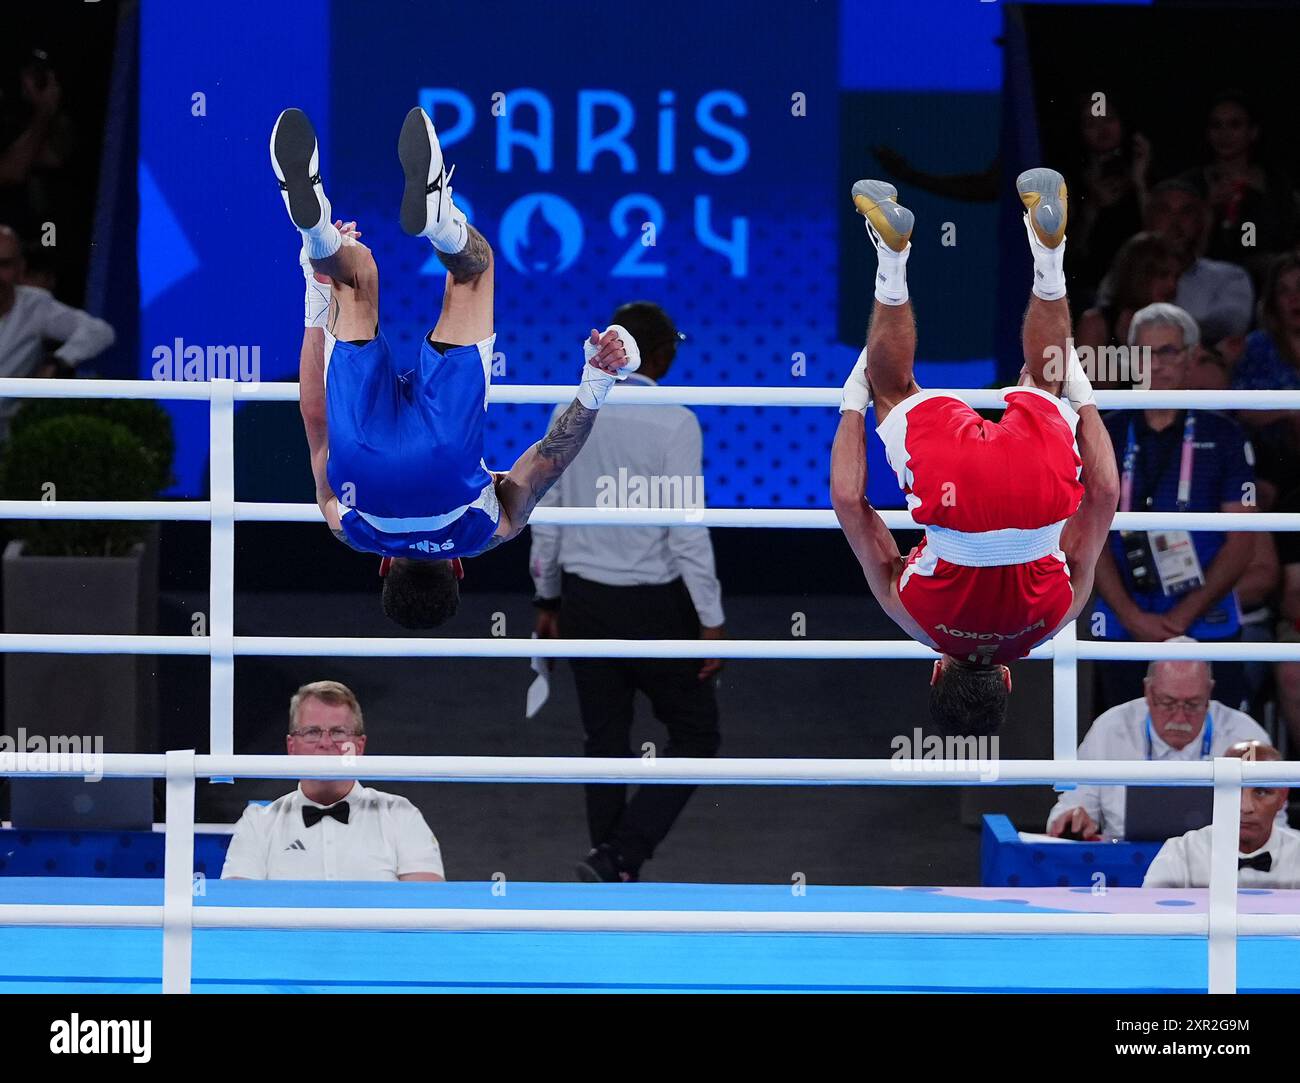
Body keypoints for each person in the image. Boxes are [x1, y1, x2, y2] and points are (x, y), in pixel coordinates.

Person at [272, 106, 635, 629]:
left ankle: (442, 220)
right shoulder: (346, 529)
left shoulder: (490, 530)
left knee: (473, 274)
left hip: (446, 460)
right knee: (353, 277)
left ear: (459, 570)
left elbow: (549, 460)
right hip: (363, 468)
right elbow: (314, 417)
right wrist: (315, 299)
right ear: (384, 568)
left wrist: (596, 384)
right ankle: (318, 240)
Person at [831, 169, 1119, 737]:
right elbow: (847, 499)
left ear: (1008, 680)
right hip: (953, 494)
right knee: (894, 388)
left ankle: (1049, 254)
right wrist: (853, 406)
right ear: (937, 673)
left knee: (1045, 378)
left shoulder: (1055, 620)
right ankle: (892, 260)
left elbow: (1105, 493)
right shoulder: (913, 619)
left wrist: (1080, 401)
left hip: (1037, 492)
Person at [530, 300, 724, 884]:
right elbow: (686, 530)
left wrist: (547, 601)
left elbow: (546, 518)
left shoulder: (571, 412)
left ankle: (612, 863)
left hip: (586, 603)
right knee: (697, 736)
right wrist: (711, 619)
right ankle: (620, 857)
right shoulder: (676, 420)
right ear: (659, 353)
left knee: (605, 739)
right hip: (657, 608)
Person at [1089, 303, 1255, 714]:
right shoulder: (1102, 432)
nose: (1157, 365)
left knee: (1217, 747)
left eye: (1169, 352)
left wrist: (1182, 617)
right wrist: (1130, 616)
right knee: (1121, 744)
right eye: (1146, 353)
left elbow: (1243, 541)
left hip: (1205, 621)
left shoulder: (1225, 436)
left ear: (1192, 358)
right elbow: (1085, 532)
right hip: (1122, 622)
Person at [221, 681, 445, 881]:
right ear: (292, 747)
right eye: (312, 732)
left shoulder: (400, 814)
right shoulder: (258, 824)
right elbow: (235, 914)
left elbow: (427, 912)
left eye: (338, 732)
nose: (326, 743)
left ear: (359, 746)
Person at [1047, 651, 1270, 841]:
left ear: (1209, 692)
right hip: (1128, 862)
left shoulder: (1246, 735)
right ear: (1148, 691)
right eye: (1168, 703)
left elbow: (1276, 825)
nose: (1180, 717)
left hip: (1218, 864)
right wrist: (1073, 818)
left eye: (1192, 704)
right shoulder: (1110, 728)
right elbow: (1072, 805)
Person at [0, 223, 114, 440]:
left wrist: (58, 362)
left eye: (3, 264)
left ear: (20, 268)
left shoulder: (35, 306)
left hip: (7, 438)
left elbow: (99, 332)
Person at [1177, 91, 1300, 281]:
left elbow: (1284, 238)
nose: (1224, 134)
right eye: (1217, 125)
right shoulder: (1191, 184)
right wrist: (1207, 210)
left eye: (1234, 125)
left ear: (1253, 132)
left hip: (1270, 286)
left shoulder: (1276, 183)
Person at [1143, 741, 1300, 888]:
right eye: (1235, 790)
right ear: (1215, 792)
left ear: (1282, 797)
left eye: (1261, 791)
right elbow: (1149, 911)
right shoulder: (1180, 852)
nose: (1245, 807)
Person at [1141, 177, 1253, 347]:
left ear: (1202, 222)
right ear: (1149, 220)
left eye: (1186, 211)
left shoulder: (1230, 276)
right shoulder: (1127, 274)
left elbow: (1231, 327)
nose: (1175, 221)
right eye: (1164, 210)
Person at [1229, 251, 1300, 510]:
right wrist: (1289, 412)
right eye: (1284, 291)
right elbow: (1241, 409)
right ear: (1273, 301)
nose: (1294, 298)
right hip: (1271, 461)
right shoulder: (1257, 347)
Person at [1074, 231, 1178, 386]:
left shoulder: (1176, 326)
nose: (1172, 285)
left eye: (1176, 277)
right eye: (1163, 276)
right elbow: (1090, 387)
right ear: (1138, 275)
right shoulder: (1095, 324)